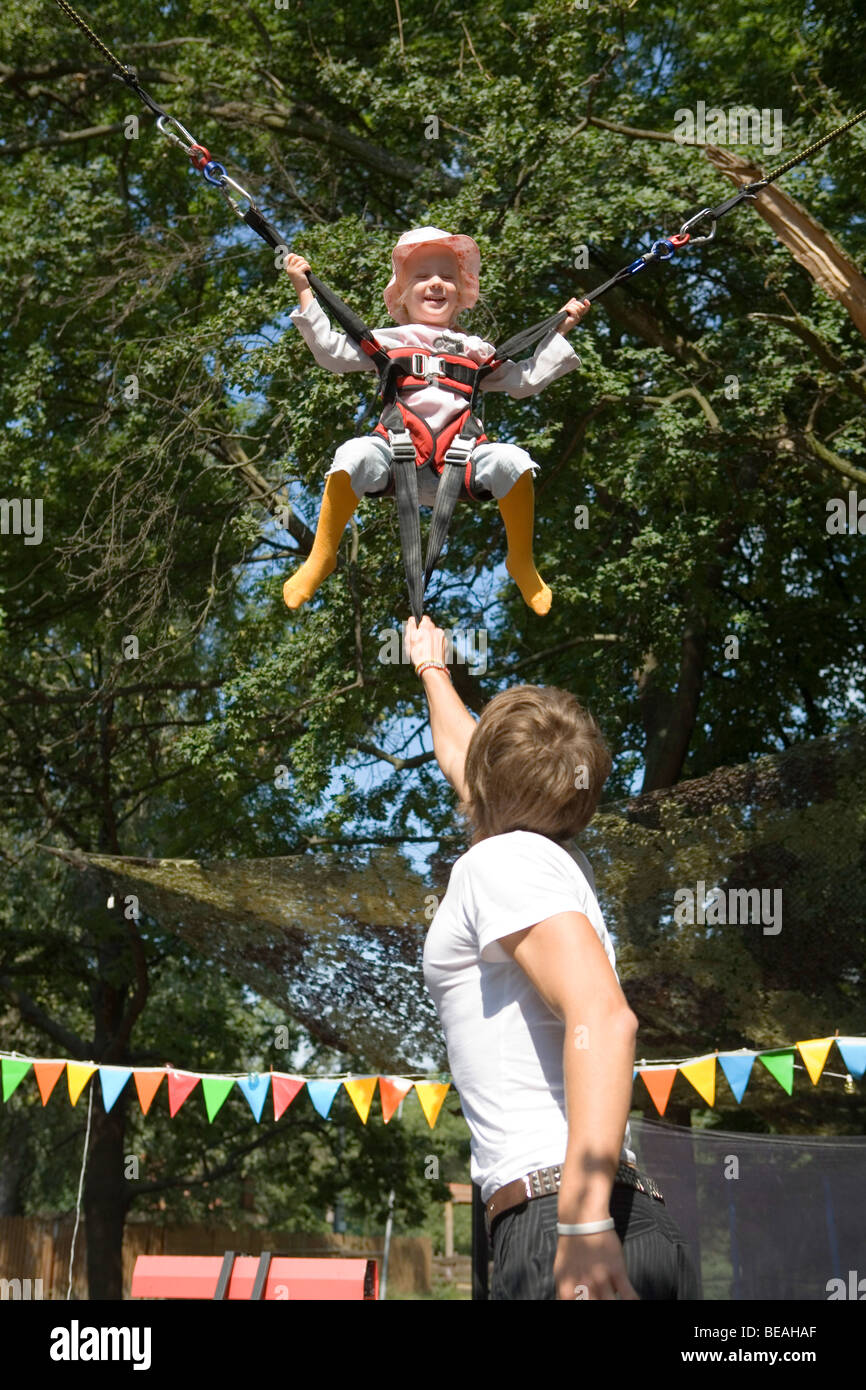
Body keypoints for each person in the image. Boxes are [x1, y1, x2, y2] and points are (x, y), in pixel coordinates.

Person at [406, 614, 700, 1301]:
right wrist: (431, 667)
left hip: (563, 1224)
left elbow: (604, 1018)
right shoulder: (546, 856)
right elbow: (466, 759)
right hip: (609, 1221)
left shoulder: (502, 863)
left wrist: (582, 1226)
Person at [282, 227, 590, 616]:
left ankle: (521, 561)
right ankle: (321, 556)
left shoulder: (475, 350)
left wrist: (560, 327)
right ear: (401, 296)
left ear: (462, 294)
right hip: (396, 452)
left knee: (514, 460)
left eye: (447, 277)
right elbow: (330, 353)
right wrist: (305, 289)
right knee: (352, 454)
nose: (436, 284)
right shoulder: (389, 340)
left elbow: (524, 379)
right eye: (422, 277)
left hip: (460, 460)